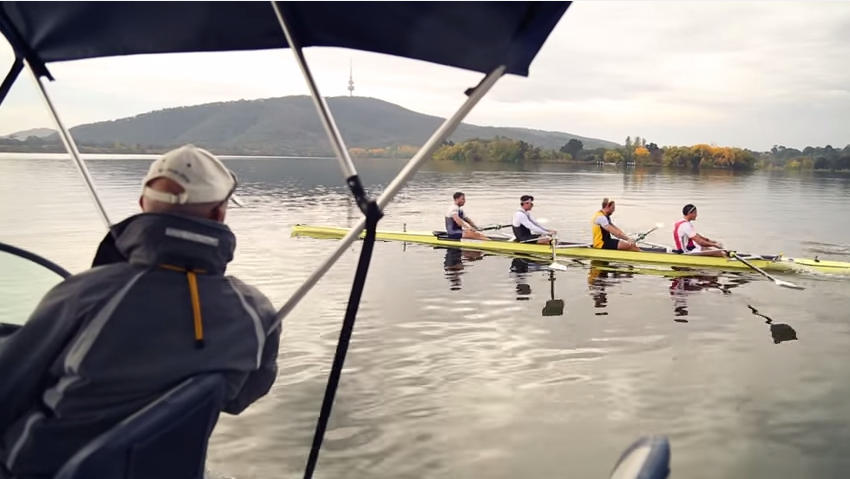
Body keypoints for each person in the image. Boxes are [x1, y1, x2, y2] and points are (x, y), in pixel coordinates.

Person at [0, 144, 281, 479]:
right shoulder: (256, 312)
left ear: (143, 206)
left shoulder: (84, 295)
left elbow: (8, 388)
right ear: (220, 215)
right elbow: (238, 398)